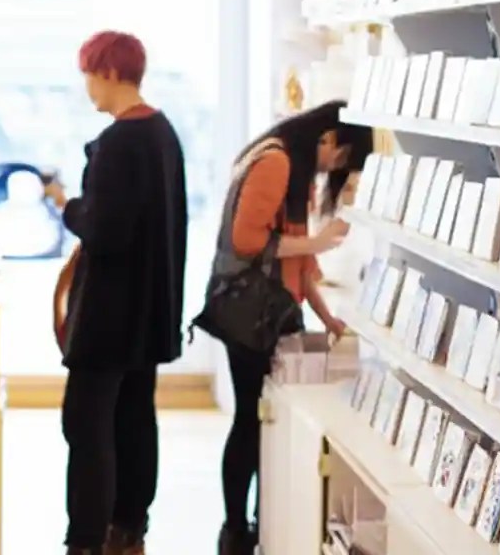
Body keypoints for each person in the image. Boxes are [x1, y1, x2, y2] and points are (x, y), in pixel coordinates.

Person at [45, 31, 188, 555]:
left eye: (88, 74)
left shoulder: (116, 143)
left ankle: (85, 539)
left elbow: (105, 230)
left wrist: (68, 205)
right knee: (133, 418)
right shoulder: (162, 133)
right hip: (148, 310)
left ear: (107, 72)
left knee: (85, 424)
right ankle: (128, 530)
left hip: (108, 315)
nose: (87, 87)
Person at [211, 101, 373, 555]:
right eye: (339, 160)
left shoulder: (290, 163)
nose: (332, 170)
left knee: (259, 422)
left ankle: (257, 526)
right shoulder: (277, 161)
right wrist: (318, 241)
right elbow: (247, 240)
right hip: (250, 316)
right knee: (249, 421)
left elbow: (297, 260)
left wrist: (326, 318)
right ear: (328, 139)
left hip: (269, 312)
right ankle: (235, 530)